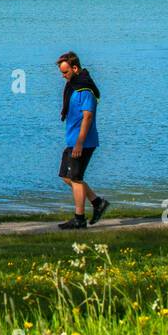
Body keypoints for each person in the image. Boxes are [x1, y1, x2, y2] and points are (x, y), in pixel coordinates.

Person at [56, 51, 109, 230]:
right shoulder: (73, 86)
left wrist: (79, 142)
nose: (63, 76)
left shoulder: (85, 89)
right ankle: (97, 202)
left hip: (83, 142)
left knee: (76, 178)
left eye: (65, 72)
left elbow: (87, 117)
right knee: (66, 176)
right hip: (73, 139)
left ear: (75, 68)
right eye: (61, 72)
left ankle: (79, 218)